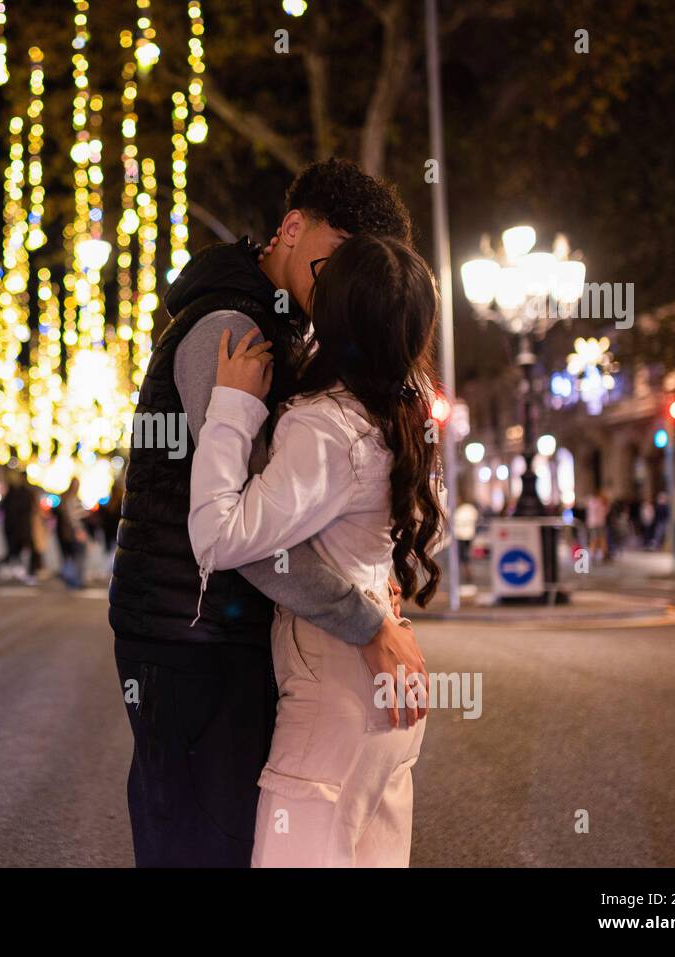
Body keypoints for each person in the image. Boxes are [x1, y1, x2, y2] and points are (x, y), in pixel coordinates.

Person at [109, 158, 427, 867]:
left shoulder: (288, 327)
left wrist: (370, 573)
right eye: (328, 266)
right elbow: (245, 535)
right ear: (290, 228)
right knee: (199, 840)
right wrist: (364, 618)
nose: (336, 290)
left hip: (233, 628)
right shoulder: (230, 329)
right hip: (188, 632)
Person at [189, 233, 443, 867]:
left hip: (337, 686)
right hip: (385, 688)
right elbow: (422, 533)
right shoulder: (401, 416)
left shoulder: (326, 426)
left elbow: (218, 537)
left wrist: (233, 409)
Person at [56, 479, 89, 588]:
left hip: (69, 533)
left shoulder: (66, 498)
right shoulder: (72, 499)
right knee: (79, 556)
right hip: (75, 532)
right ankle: (76, 580)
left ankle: (71, 577)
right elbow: (73, 518)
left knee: (73, 556)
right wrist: (79, 531)